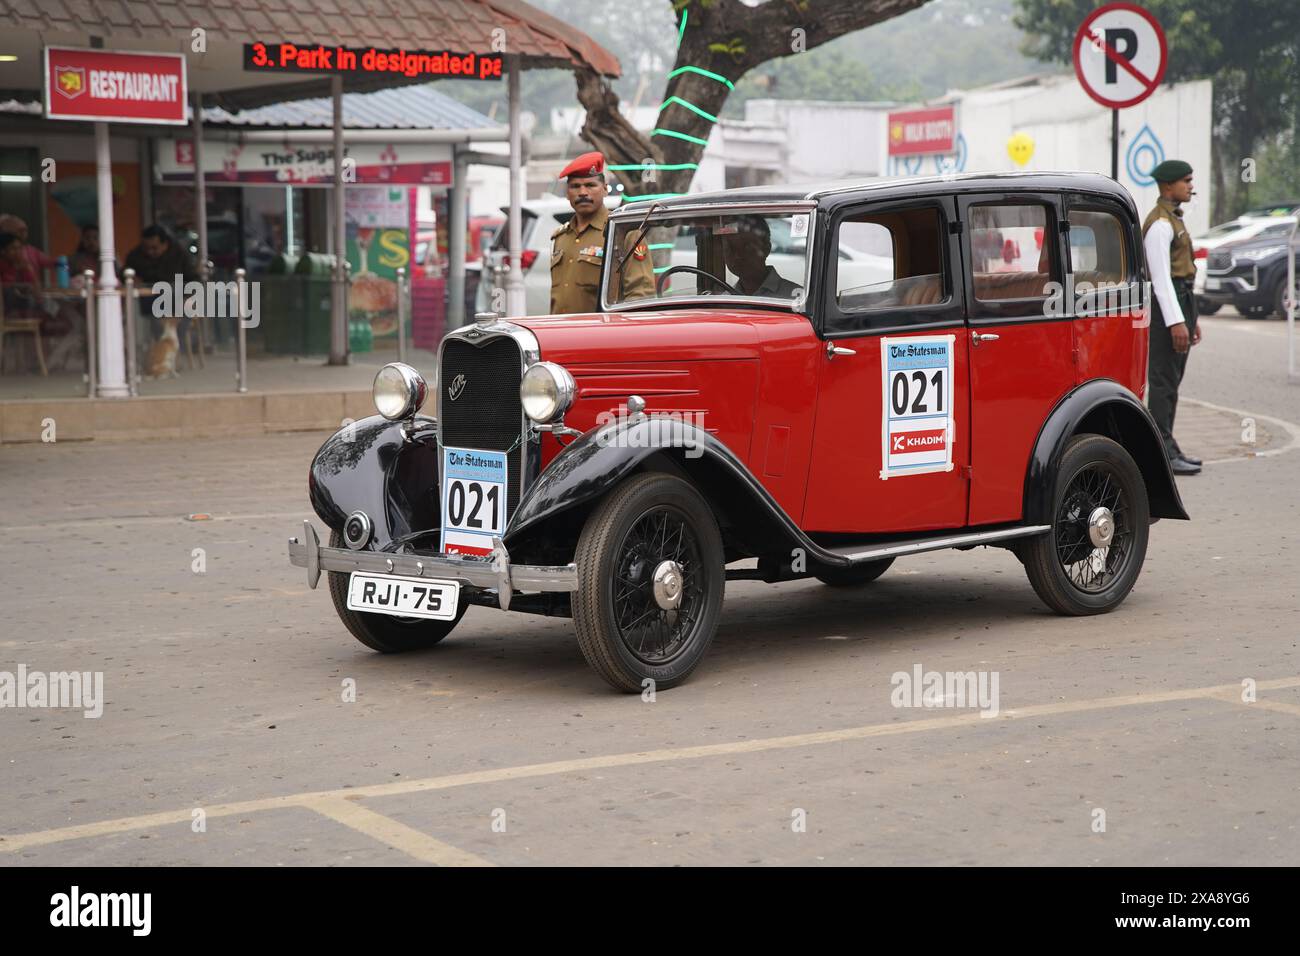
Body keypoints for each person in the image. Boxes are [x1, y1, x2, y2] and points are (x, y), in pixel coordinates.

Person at [1142, 159, 1202, 476]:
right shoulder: (1160, 224)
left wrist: (1191, 319)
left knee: (1173, 381)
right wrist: (1176, 321)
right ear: (1168, 186)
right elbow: (1161, 280)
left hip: (1183, 301)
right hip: (1170, 302)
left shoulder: (1173, 219)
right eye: (1186, 181)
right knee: (1163, 381)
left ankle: (1168, 445)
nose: (1191, 186)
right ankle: (1161, 452)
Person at [549, 151, 655, 314]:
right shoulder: (561, 237)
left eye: (590, 185)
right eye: (575, 186)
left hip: (601, 334)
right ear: (567, 193)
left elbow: (640, 294)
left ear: (605, 189)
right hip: (562, 334)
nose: (583, 192)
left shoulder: (624, 232)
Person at [125, 224, 196, 341]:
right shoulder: (136, 256)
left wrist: (188, 298)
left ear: (165, 244)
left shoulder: (179, 254)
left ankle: (175, 347)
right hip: (148, 302)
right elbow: (125, 272)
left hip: (177, 300)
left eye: (154, 248)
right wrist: (133, 278)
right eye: (146, 248)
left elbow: (192, 279)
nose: (149, 252)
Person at [721, 215, 803, 299]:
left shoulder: (796, 298)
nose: (737, 256)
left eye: (747, 247)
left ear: (766, 249)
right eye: (730, 249)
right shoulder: (724, 300)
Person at [0, 214, 55, 288]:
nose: (24, 233)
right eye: (20, 230)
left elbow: (52, 262)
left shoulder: (32, 251)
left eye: (25, 230)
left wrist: (28, 269)